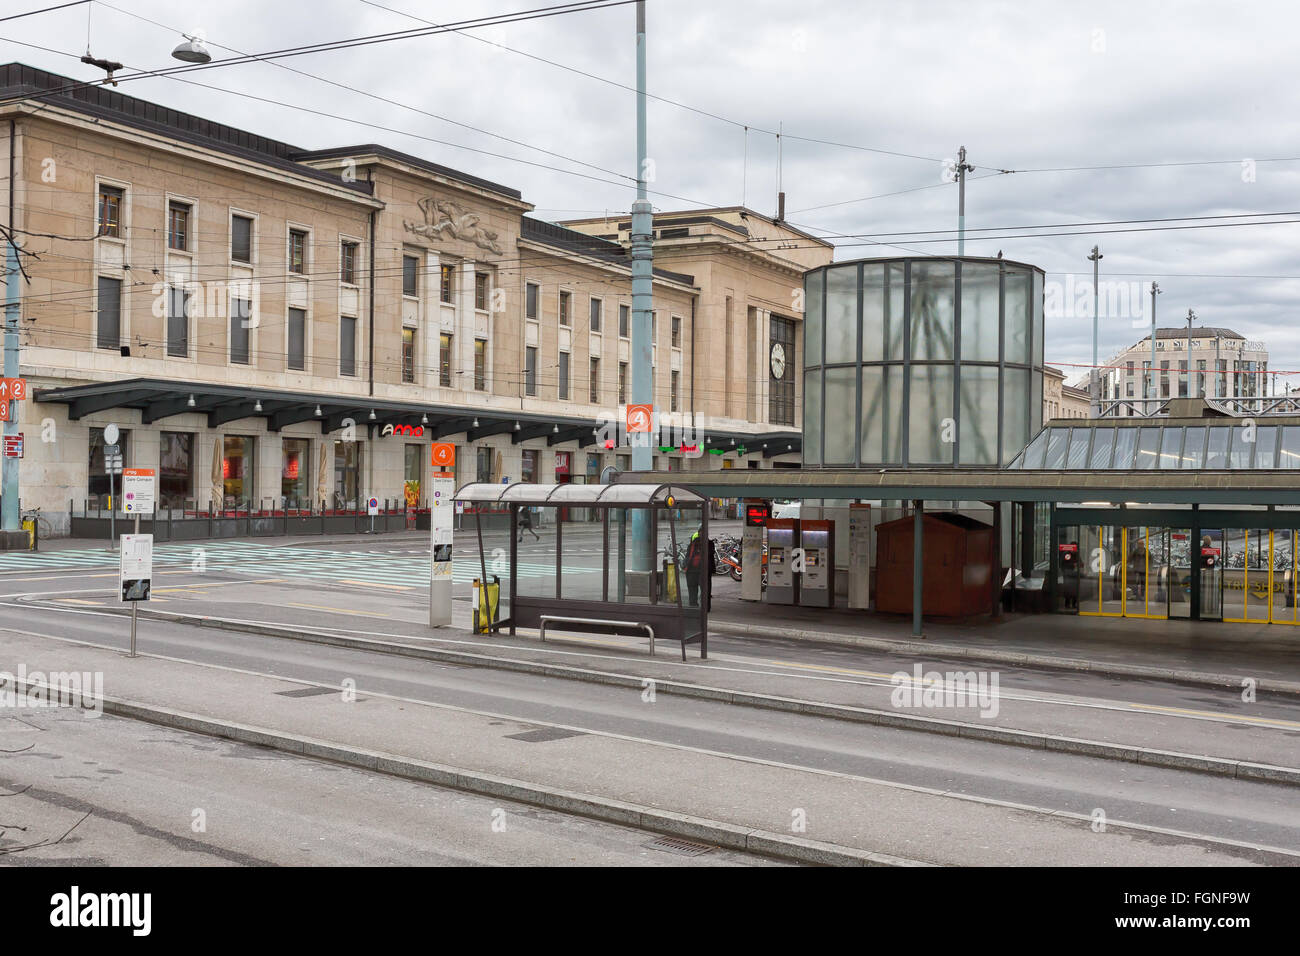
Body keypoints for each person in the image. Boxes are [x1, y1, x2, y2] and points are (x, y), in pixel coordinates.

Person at [684, 528, 705, 607]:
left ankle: (694, 604)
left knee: (693, 589)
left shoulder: (693, 544)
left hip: (695, 570)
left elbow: (688, 556)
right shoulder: (693, 544)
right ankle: (694, 604)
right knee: (694, 588)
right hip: (694, 570)